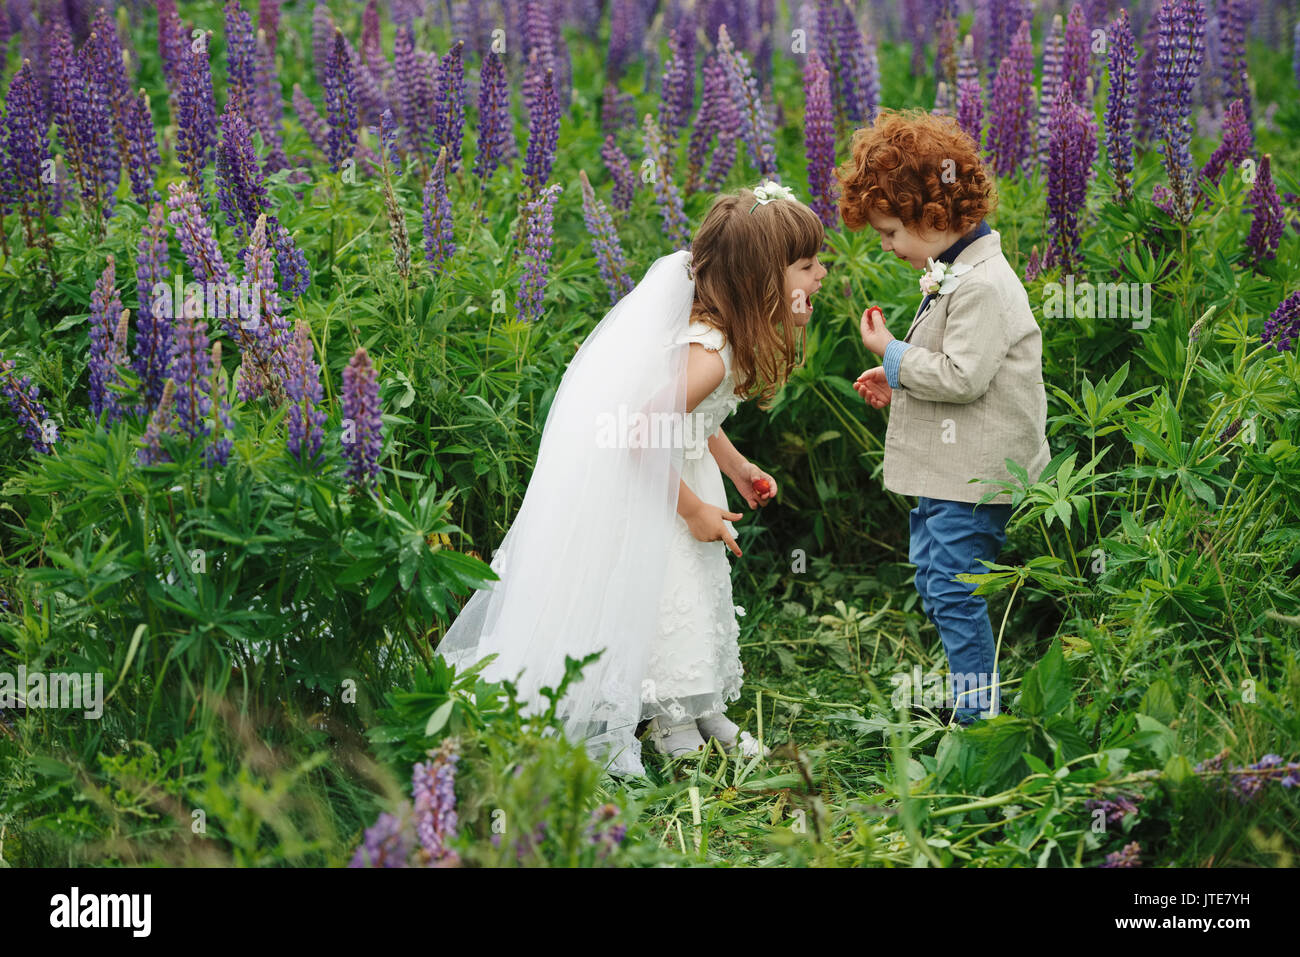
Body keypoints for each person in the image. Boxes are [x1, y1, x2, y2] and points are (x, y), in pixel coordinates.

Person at [438, 181, 828, 775]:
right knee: (667, 588)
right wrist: (692, 507)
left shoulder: (727, 344)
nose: (821, 273)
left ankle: (702, 706)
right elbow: (642, 433)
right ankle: (670, 718)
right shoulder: (711, 353)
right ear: (760, 279)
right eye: (806, 264)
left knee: (696, 590)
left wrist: (738, 467)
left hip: (680, 474)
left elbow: (695, 419)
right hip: (655, 487)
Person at [839, 109, 1050, 725]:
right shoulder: (960, 271)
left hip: (977, 477)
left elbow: (962, 376)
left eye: (888, 232)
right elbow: (958, 362)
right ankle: (973, 692)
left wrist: (891, 352)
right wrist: (896, 375)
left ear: (931, 216)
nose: (886, 246)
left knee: (955, 594)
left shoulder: (982, 284)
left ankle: (977, 717)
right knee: (936, 580)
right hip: (948, 473)